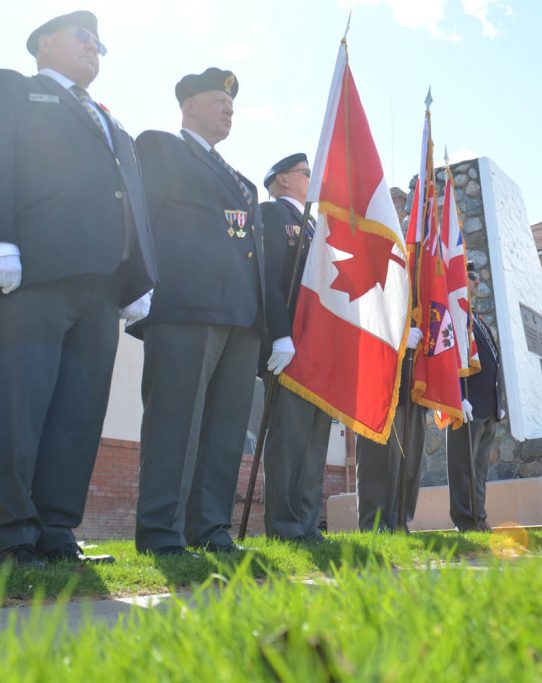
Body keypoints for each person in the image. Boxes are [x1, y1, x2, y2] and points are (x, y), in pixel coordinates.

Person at [0, 11, 157, 567]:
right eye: (84, 37)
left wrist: (137, 277)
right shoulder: (9, 88)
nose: (95, 49)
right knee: (18, 406)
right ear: (44, 42)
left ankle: (57, 532)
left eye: (101, 44)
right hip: (33, 274)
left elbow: (131, 205)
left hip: (101, 288)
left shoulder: (114, 125)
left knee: (78, 414)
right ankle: (14, 536)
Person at [131, 68, 263, 556]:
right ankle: (161, 533)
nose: (228, 110)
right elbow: (140, 217)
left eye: (231, 104)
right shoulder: (161, 148)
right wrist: (136, 283)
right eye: (217, 101)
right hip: (184, 307)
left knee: (226, 430)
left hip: (240, 317)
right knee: (175, 422)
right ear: (187, 105)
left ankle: (209, 529)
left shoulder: (241, 180)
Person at [259, 153, 332, 542]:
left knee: (314, 439)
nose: (312, 178)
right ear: (283, 179)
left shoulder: (313, 227)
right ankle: (284, 525)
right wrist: (278, 333)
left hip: (317, 348)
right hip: (290, 346)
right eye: (306, 173)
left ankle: (306, 522)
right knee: (289, 439)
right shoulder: (272, 215)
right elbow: (270, 278)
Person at [355, 187, 425, 532]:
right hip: (377, 368)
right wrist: (399, 338)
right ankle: (374, 522)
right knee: (377, 456)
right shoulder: (371, 254)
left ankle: (398, 521)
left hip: (409, 376)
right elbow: (367, 310)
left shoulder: (409, 262)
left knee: (406, 457)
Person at [446, 262, 506, 532]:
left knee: (479, 470)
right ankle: (465, 521)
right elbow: (449, 358)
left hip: (487, 407)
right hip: (467, 405)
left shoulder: (477, 320)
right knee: (463, 468)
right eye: (471, 277)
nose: (477, 282)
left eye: (478, 278)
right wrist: (457, 395)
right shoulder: (455, 316)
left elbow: (494, 366)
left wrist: (499, 403)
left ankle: (479, 518)